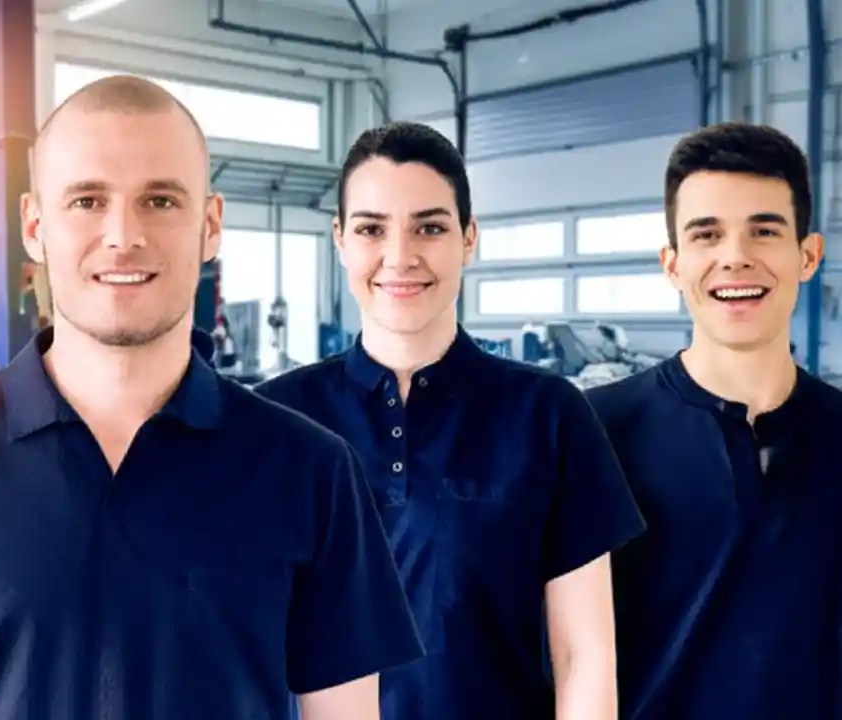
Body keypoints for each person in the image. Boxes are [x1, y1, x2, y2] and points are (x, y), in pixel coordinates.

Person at [0, 75, 424, 720]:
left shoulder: (311, 470)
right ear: (35, 226)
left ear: (210, 226)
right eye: (88, 201)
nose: (123, 235)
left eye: (159, 201)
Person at [254, 121, 646, 720]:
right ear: (340, 240)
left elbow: (584, 657)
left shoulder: (549, 417)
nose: (400, 256)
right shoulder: (274, 420)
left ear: (468, 238)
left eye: (430, 227)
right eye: (370, 229)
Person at [585, 122, 842, 720]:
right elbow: (562, 651)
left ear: (807, 254)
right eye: (706, 235)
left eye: (764, 230)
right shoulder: (597, 434)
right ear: (672, 263)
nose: (735, 257)